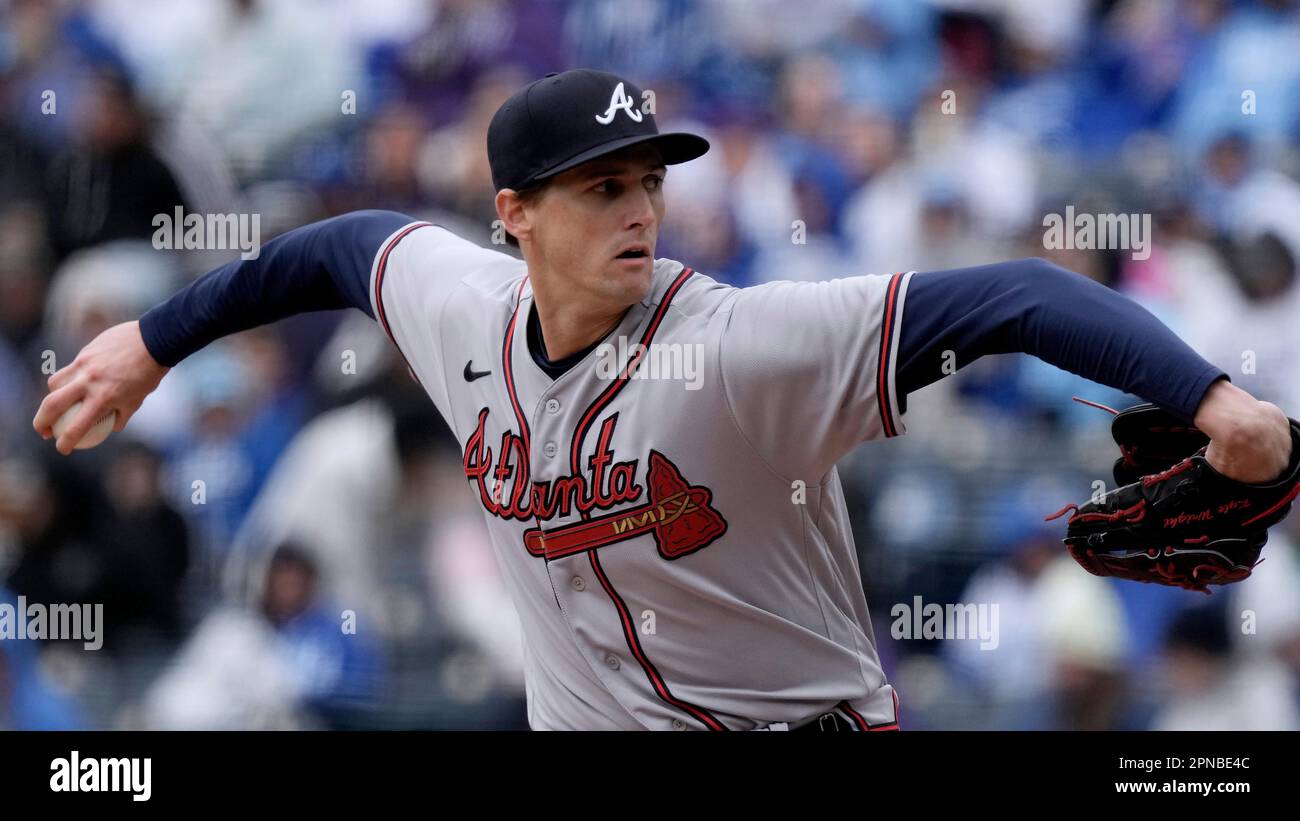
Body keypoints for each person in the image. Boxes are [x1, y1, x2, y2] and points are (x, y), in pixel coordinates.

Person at [33, 69, 1294, 731]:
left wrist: (1214, 399)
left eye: (647, 179)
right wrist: (155, 337)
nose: (638, 206)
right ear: (513, 215)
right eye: (598, 187)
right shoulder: (457, 302)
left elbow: (1019, 292)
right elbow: (333, 245)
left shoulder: (745, 346)